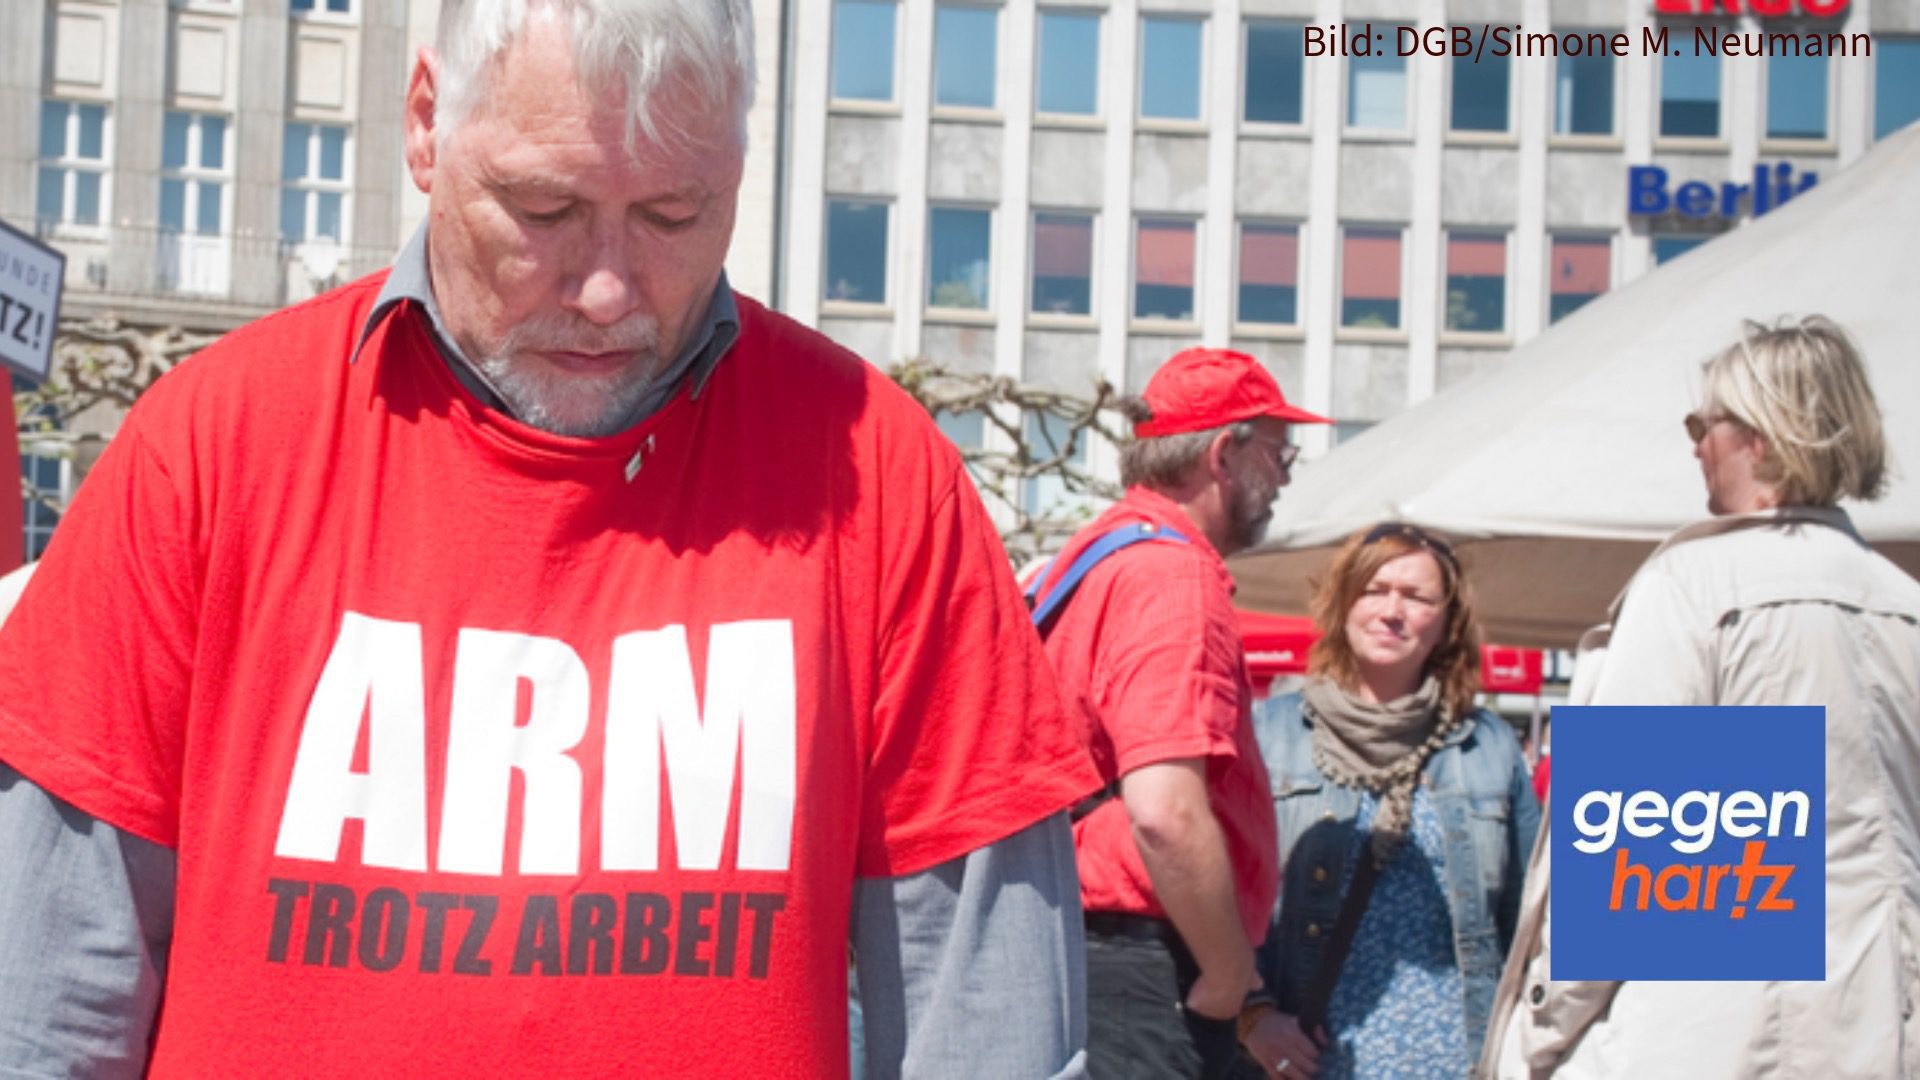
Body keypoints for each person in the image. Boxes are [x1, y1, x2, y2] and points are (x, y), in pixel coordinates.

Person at [0, 2, 1102, 1075]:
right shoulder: (214, 445)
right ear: (425, 123)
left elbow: (987, 1019)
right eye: (543, 208)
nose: (608, 290)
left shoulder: (877, 475)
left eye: (673, 214)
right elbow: (46, 998)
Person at [1481, 316, 1920, 1078]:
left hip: (1719, 1037)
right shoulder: (1902, 602)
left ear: (1761, 436)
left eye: (1701, 425)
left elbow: (1629, 872)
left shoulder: (1700, 588)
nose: (1694, 448)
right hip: (1880, 1028)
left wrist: (1534, 1040)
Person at [1033, 347, 1329, 1078]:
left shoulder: (1094, 554)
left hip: (1081, 943)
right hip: (1139, 966)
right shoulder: (1172, 574)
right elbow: (1164, 812)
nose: (1286, 476)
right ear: (1224, 454)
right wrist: (1230, 978)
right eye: (1280, 453)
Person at [1238, 524, 1538, 1079]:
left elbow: (1531, 918)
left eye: (1417, 597)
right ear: (1343, 604)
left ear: (1447, 622)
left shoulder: (1488, 746)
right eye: (1374, 590)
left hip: (1459, 1062)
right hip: (1308, 1064)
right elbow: (1219, 895)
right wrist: (1252, 1014)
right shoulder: (1272, 733)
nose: (1392, 611)